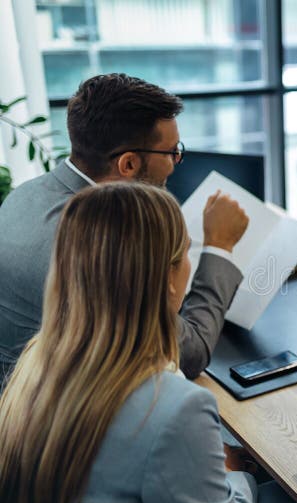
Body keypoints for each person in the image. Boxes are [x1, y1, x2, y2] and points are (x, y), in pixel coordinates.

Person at [0, 183, 297, 503]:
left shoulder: (34, 365)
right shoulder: (175, 407)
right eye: (187, 252)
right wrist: (233, 475)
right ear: (168, 277)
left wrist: (198, 456)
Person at [0, 73, 248, 380]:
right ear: (128, 164)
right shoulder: (98, 247)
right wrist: (219, 246)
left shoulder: (20, 197)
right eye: (172, 152)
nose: (176, 162)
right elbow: (190, 353)